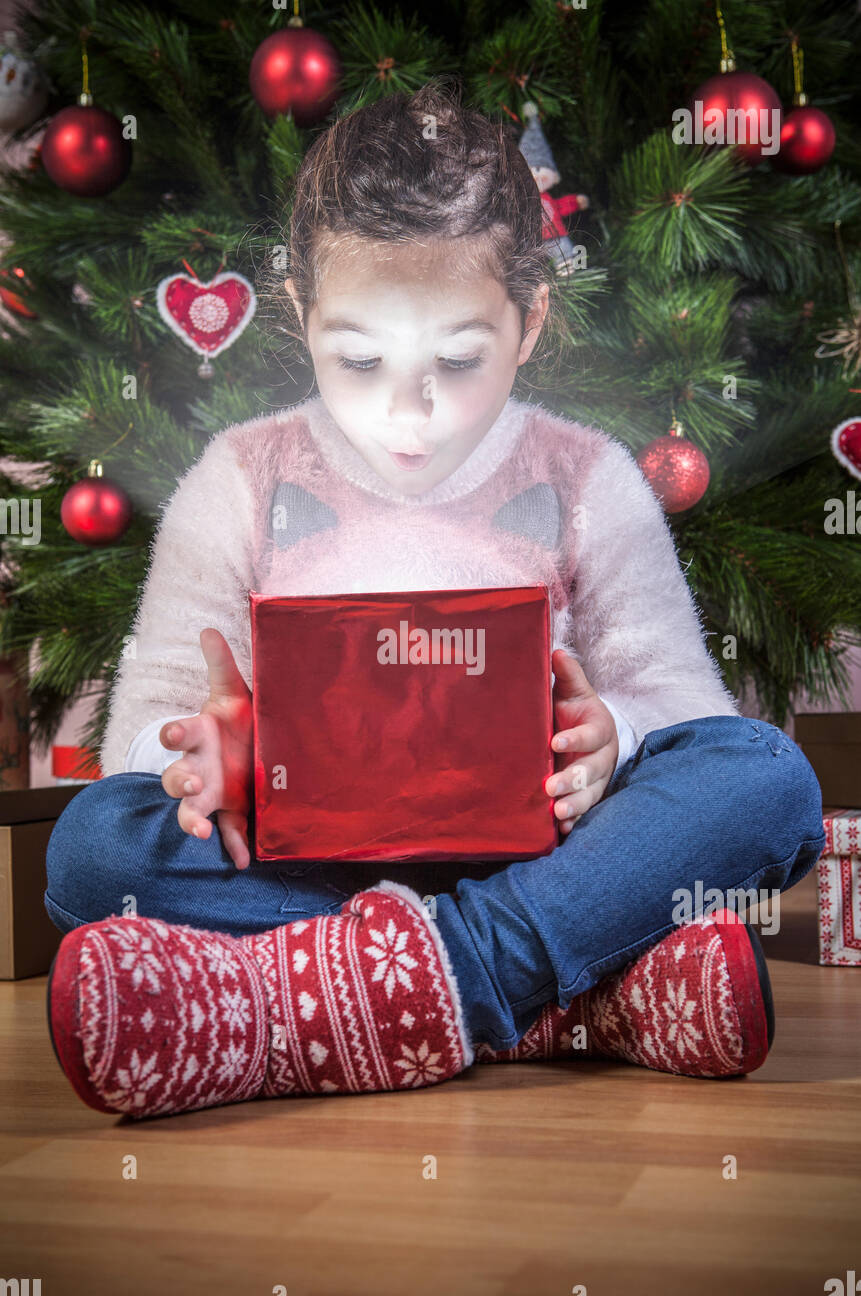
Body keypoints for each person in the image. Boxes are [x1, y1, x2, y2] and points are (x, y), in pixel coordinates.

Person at [44, 83, 825, 1120]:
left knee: (765, 774)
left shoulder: (588, 475)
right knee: (95, 844)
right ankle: (557, 998)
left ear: (531, 321)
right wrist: (200, 753)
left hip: (546, 850)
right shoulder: (241, 473)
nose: (405, 413)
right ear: (300, 314)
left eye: (457, 360)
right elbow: (140, 735)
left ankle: (336, 993)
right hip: (310, 864)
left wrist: (614, 732)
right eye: (359, 358)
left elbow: (690, 716)